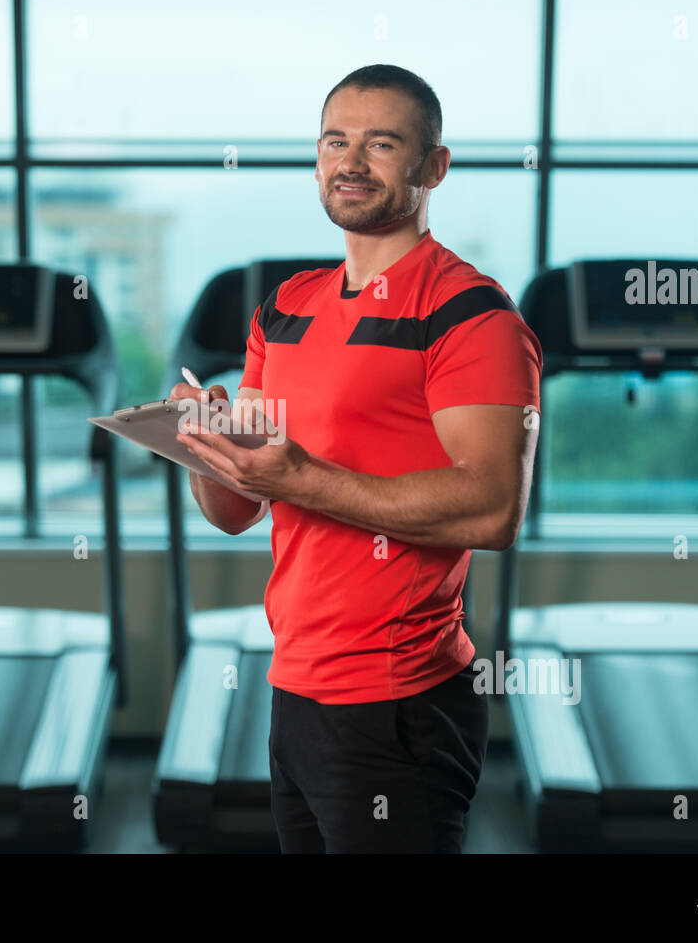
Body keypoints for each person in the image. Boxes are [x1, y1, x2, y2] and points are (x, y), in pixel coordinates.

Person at [171, 63, 542, 853]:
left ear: (432, 167)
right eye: (336, 141)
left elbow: (493, 508)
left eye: (381, 143)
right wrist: (204, 443)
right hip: (295, 683)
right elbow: (238, 508)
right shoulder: (287, 307)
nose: (351, 161)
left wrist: (298, 476)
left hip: (399, 697)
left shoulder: (471, 315)